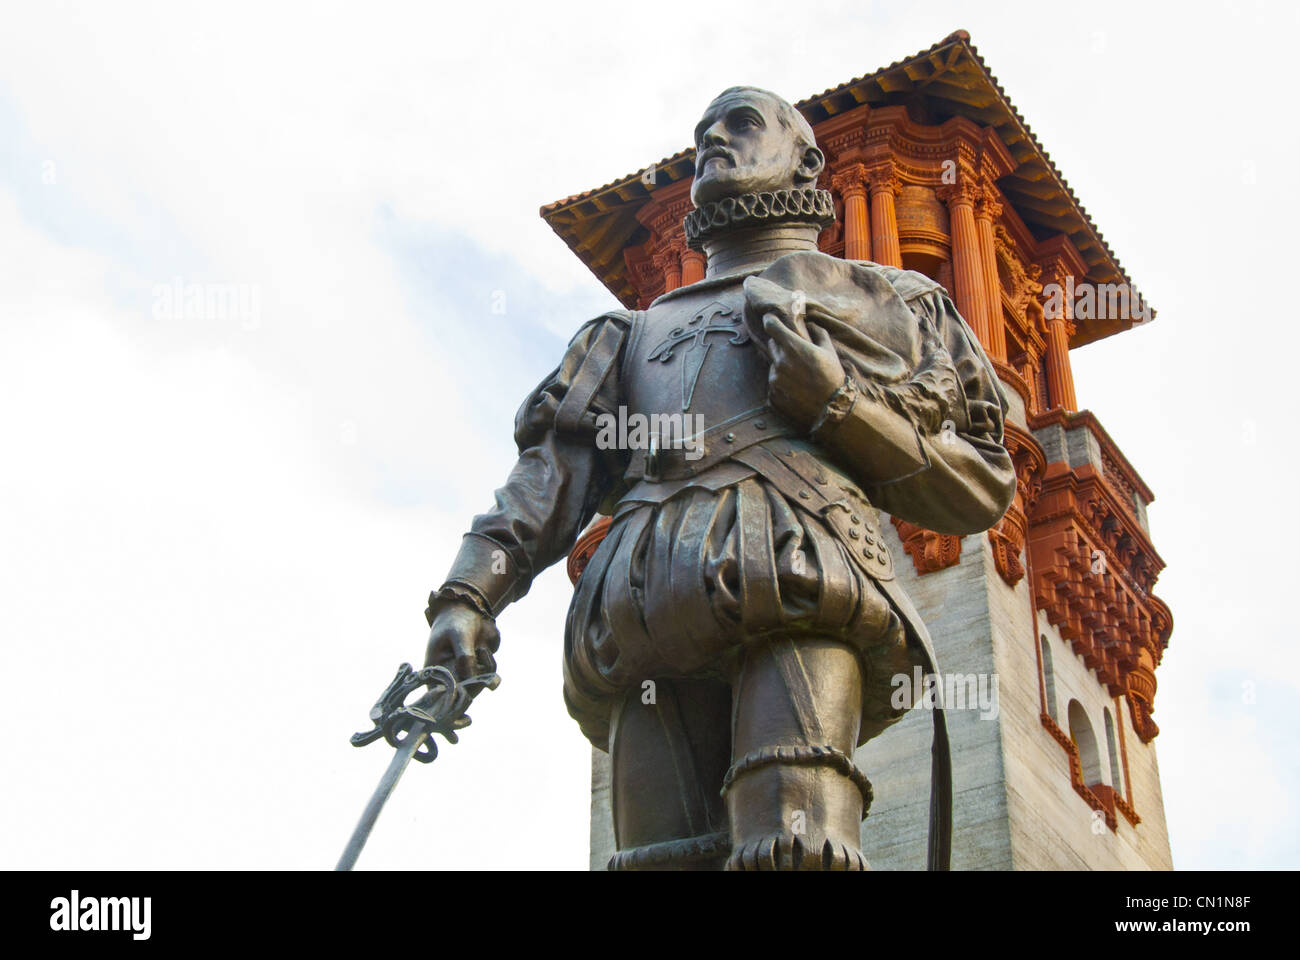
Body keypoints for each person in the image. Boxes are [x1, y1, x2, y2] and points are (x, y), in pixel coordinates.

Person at [422, 86, 1016, 870]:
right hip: (641, 624)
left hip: (799, 589)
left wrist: (836, 404)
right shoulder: (625, 336)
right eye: (703, 130)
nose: (713, 140)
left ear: (804, 159)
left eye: (740, 124)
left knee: (795, 846)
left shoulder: (892, 304)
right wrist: (470, 595)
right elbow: (546, 480)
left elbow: (980, 482)